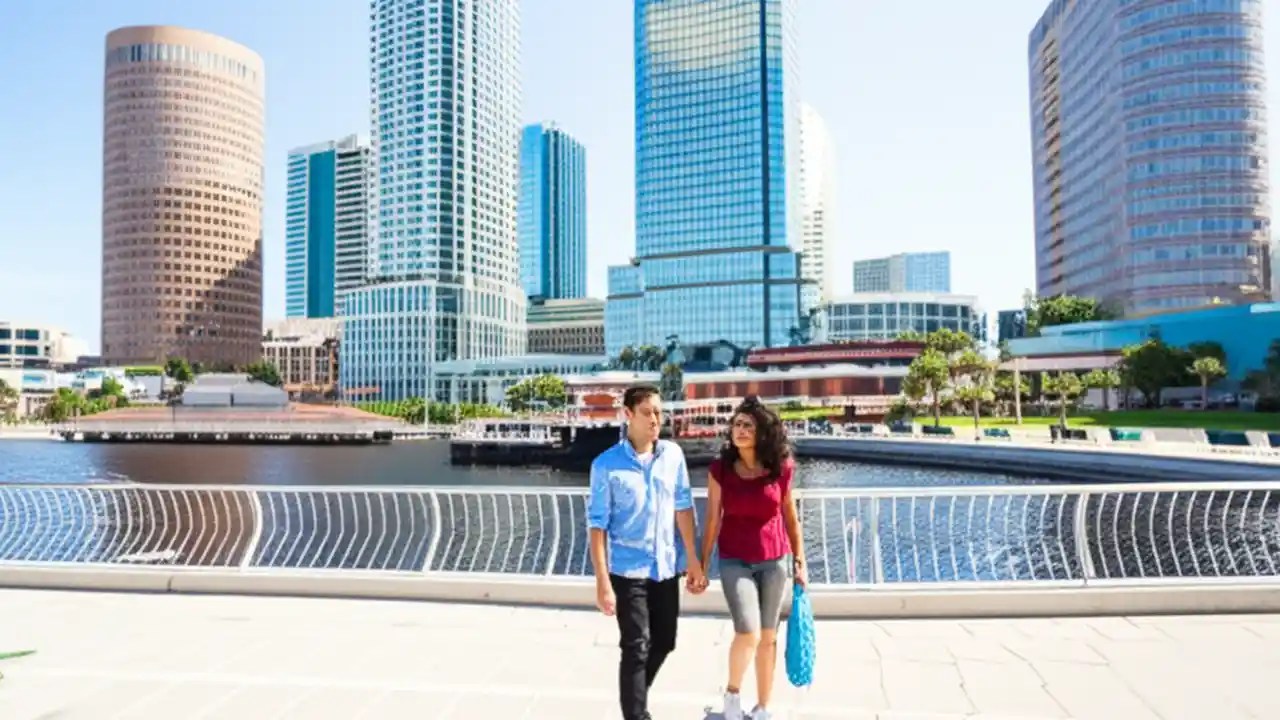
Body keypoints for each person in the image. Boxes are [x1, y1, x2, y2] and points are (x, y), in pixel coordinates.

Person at [587, 384, 707, 720]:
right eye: (647, 412)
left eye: (658, 411)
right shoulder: (605, 465)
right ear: (628, 415)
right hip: (627, 571)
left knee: (665, 641)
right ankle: (636, 714)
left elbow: (684, 508)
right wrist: (602, 582)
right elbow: (597, 526)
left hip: (666, 567)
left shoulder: (672, 456)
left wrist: (694, 561)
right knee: (636, 647)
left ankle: (634, 697)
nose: (656, 419)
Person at [700, 397, 806, 720]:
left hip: (775, 560)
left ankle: (763, 707)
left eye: (748, 425)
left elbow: (790, 516)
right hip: (735, 560)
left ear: (761, 433)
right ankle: (732, 696)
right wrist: (702, 565)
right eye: (737, 424)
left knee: (769, 637)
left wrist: (799, 560)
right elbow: (713, 520)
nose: (741, 429)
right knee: (748, 631)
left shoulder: (781, 467)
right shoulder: (720, 470)